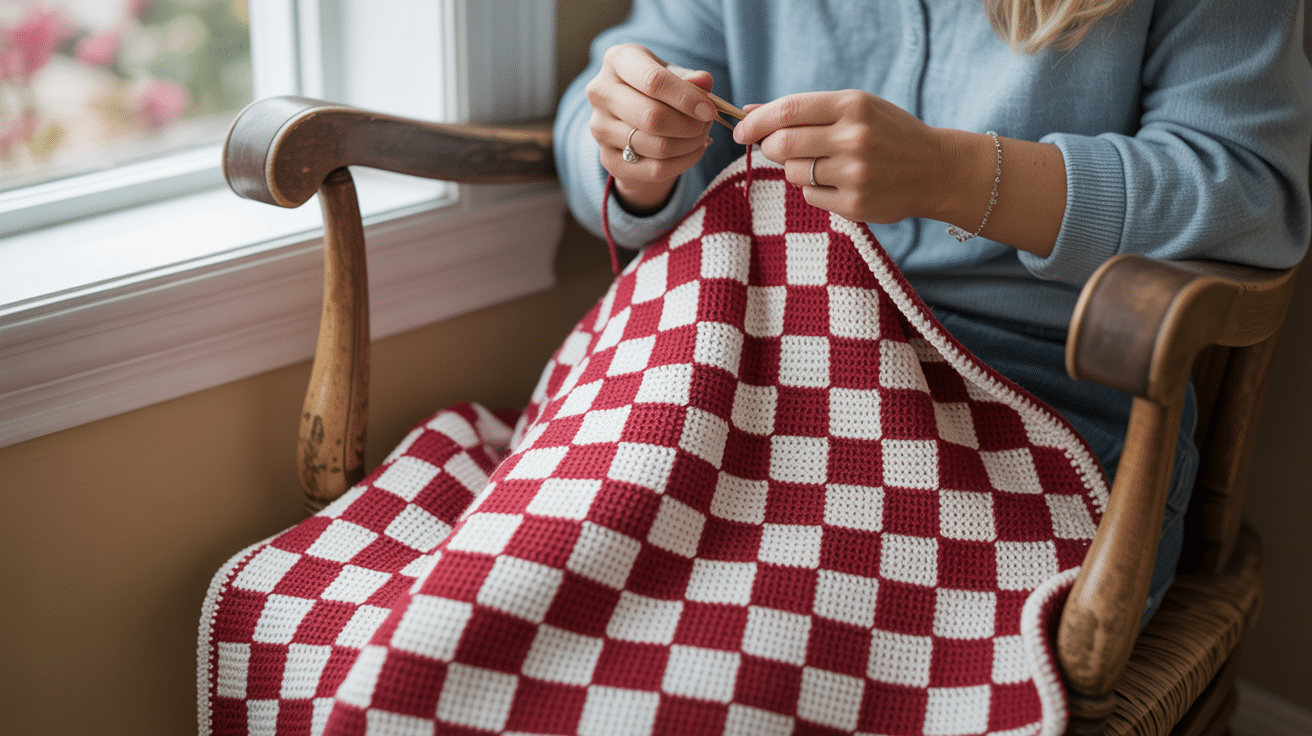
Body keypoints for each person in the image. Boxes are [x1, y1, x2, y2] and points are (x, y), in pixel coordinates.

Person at [554, 0, 1312, 624]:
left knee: (752, 623)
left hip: (1035, 408)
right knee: (575, 576)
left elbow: (1248, 198)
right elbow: (604, 110)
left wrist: (956, 175)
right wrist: (633, 148)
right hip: (763, 367)